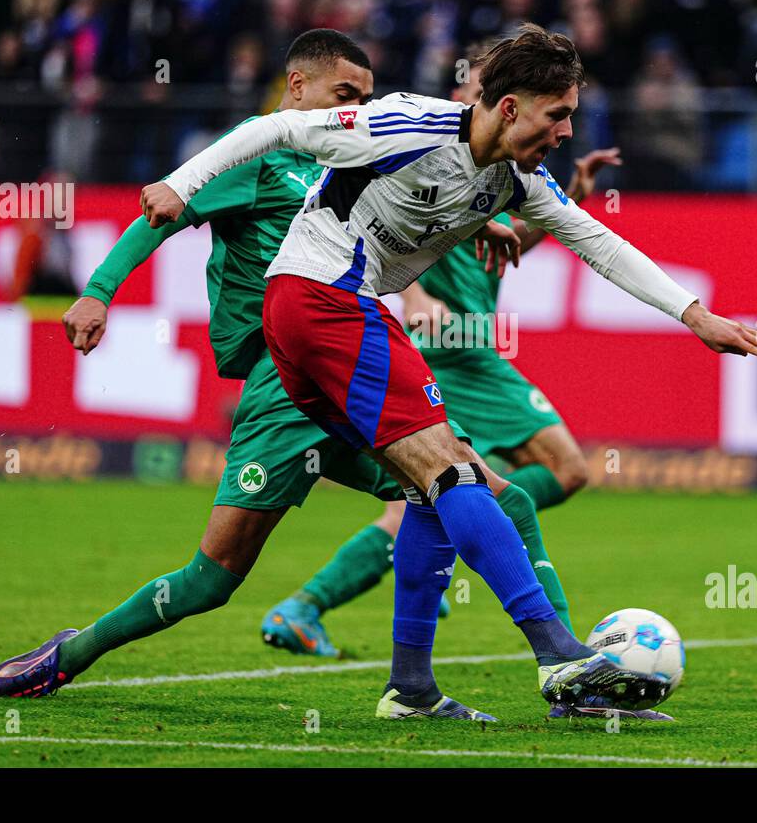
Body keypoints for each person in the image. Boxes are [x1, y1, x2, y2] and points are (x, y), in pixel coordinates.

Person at [138, 23, 757, 719]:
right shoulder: (403, 122)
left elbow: (599, 244)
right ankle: (558, 653)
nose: (565, 131)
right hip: (319, 298)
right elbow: (278, 129)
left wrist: (697, 317)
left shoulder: (515, 182)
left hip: (331, 308)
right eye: (556, 113)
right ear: (509, 108)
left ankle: (411, 689)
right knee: (459, 473)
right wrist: (181, 183)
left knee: (429, 488)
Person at [0, 30, 562, 721]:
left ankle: (486, 680)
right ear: (297, 89)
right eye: (344, 95)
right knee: (210, 581)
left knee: (476, 495)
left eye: (365, 99)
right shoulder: (264, 154)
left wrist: (482, 219)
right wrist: (99, 290)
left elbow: (407, 215)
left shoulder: (359, 149)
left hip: (351, 365)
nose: (356, 109)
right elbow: (164, 212)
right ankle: (68, 655)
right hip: (283, 387)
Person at [261, 50, 620, 654]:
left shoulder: (502, 163)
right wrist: (418, 296)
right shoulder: (430, 142)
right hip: (452, 349)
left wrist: (571, 199)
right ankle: (558, 653)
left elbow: (497, 249)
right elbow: (388, 226)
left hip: (470, 340)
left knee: (436, 492)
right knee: (527, 476)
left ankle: (317, 606)